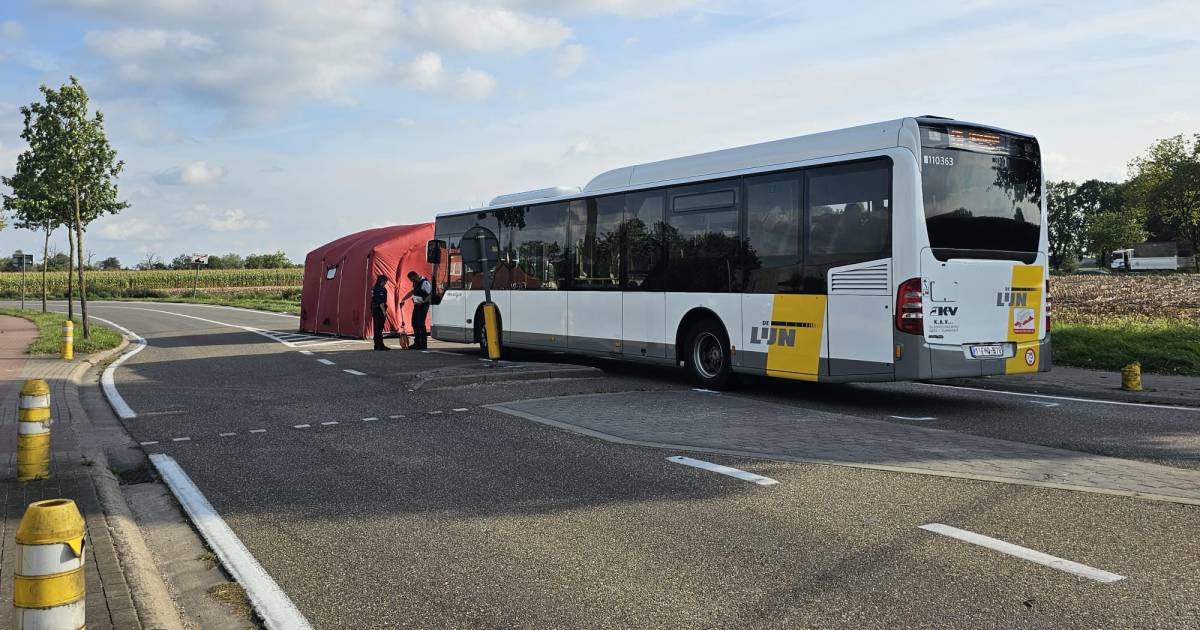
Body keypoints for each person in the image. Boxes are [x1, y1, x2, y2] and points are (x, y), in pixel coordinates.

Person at [399, 270, 433, 350]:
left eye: (412, 279)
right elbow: (412, 292)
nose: (411, 281)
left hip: (423, 305)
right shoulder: (416, 283)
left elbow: (431, 294)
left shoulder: (425, 283)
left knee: (421, 324)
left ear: (416, 276)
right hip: (417, 305)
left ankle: (423, 344)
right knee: (414, 323)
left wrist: (423, 302)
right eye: (410, 280)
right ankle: (417, 343)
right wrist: (403, 299)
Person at [370, 274, 390, 351]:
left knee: (376, 328)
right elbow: (381, 302)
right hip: (379, 310)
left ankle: (377, 345)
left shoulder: (374, 288)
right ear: (382, 281)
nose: (385, 283)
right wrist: (384, 312)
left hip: (374, 308)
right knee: (379, 328)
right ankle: (380, 345)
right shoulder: (381, 289)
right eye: (385, 282)